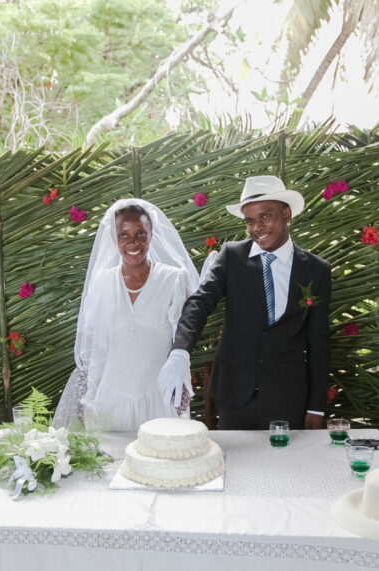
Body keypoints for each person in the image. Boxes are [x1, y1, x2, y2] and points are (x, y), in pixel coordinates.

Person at [159, 176, 331, 430]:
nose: (257, 227)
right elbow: (200, 302)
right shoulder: (232, 256)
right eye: (250, 220)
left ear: (286, 214)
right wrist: (180, 350)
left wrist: (316, 406)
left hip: (288, 398)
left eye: (266, 216)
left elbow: (318, 343)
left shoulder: (316, 270)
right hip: (235, 396)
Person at [55, 199, 199, 432]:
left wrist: (180, 389)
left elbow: (181, 342)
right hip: (110, 402)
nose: (133, 242)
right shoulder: (102, 282)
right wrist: (90, 399)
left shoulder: (173, 279)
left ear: (152, 234)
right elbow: (98, 349)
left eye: (141, 234)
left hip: (158, 402)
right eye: (124, 235)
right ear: (114, 238)